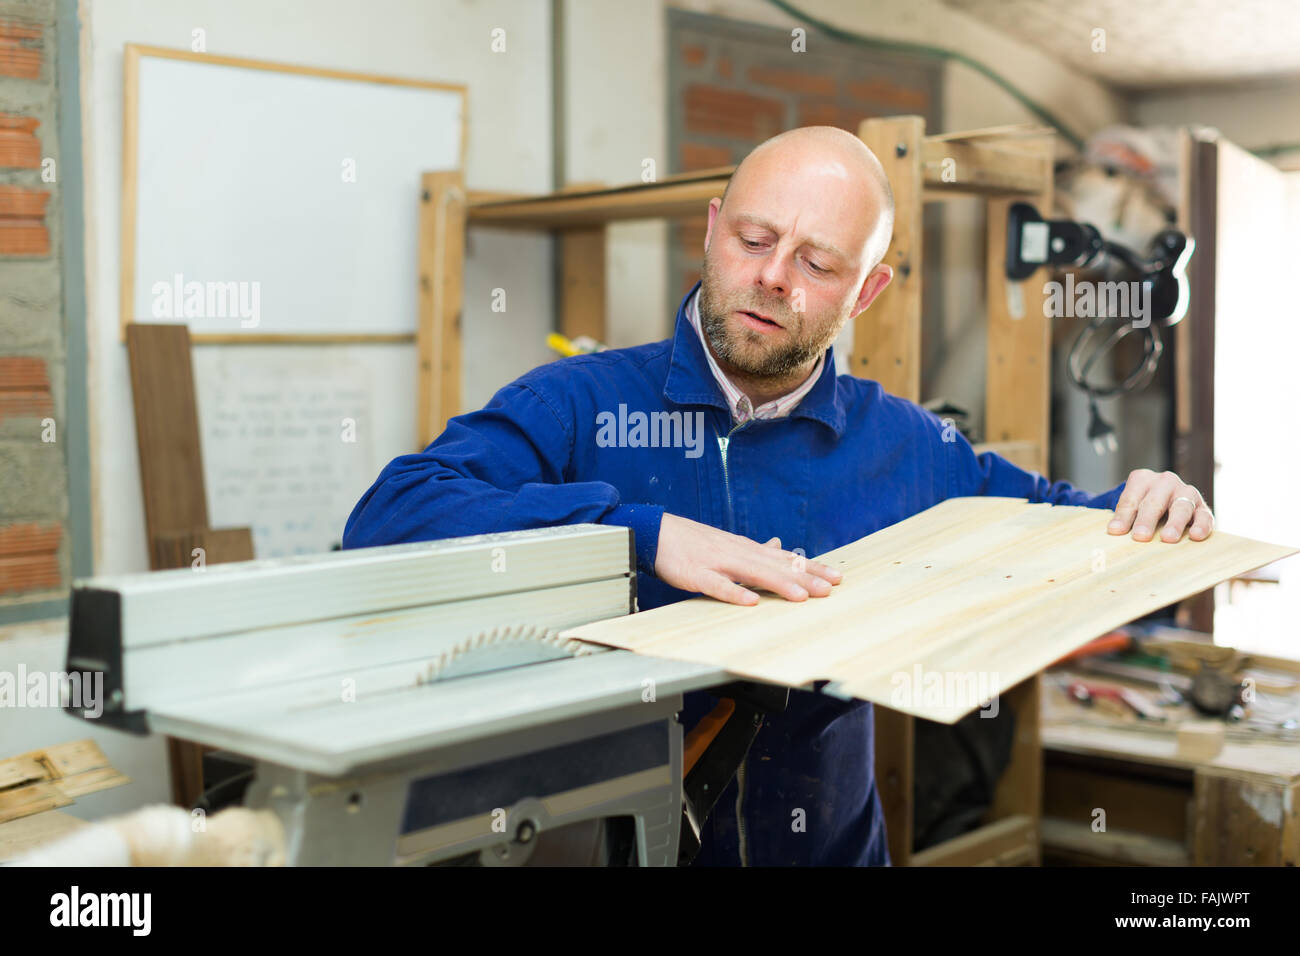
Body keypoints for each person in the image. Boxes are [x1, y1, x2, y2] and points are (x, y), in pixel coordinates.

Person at [343, 125, 1214, 866]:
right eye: (754, 242)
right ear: (713, 228)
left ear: (866, 291)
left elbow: (1064, 527)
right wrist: (639, 534)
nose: (773, 278)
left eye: (819, 263)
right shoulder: (579, 404)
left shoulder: (907, 446)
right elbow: (390, 517)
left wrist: (1150, 504)